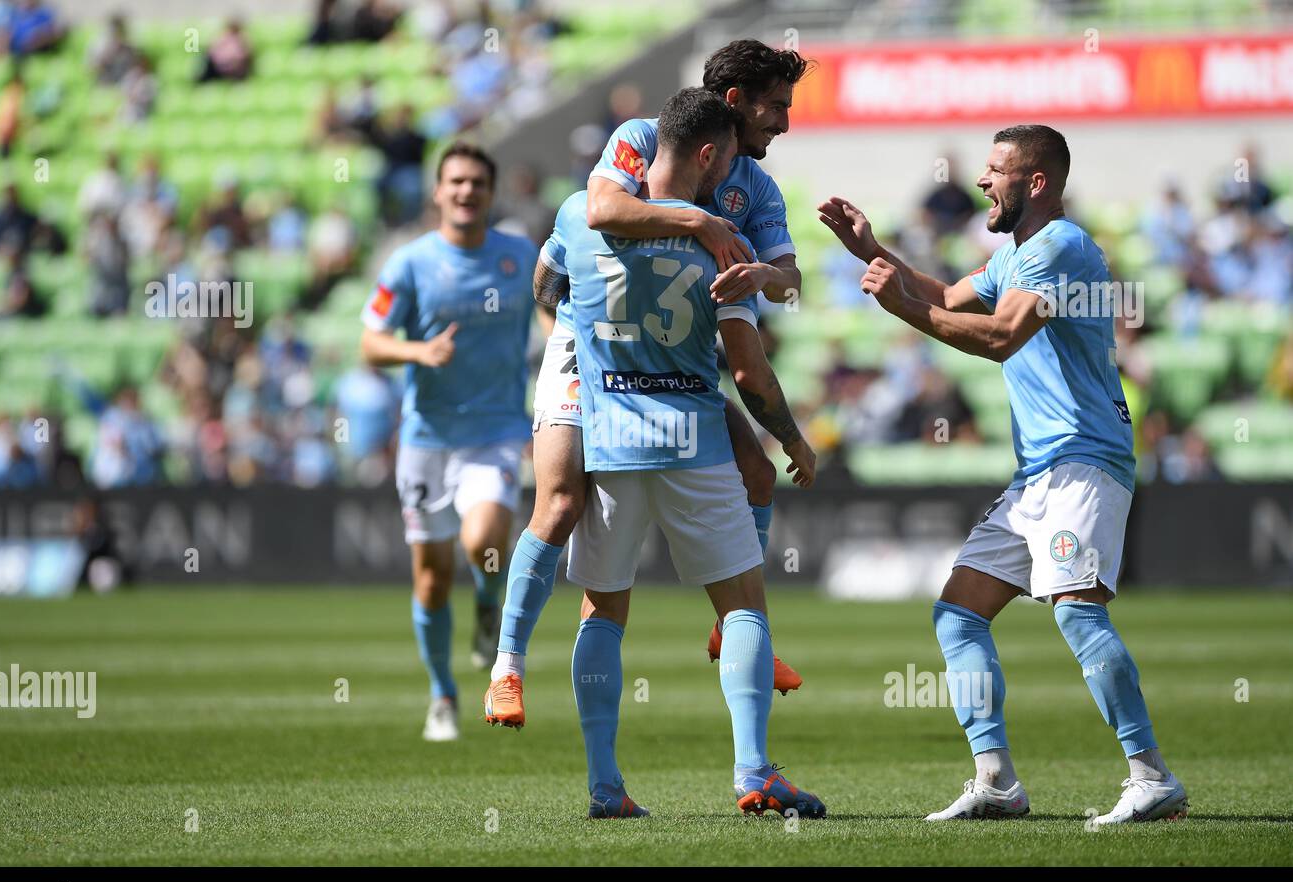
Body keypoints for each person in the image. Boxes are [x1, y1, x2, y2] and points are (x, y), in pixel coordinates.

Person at [819, 124, 1188, 825]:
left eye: (996, 170)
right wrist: (874, 253)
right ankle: (996, 782)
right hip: (1039, 471)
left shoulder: (1061, 246)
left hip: (1083, 458)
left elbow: (998, 337)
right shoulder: (1017, 254)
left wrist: (901, 306)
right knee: (958, 614)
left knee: (1078, 611)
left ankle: (1151, 775)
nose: (982, 181)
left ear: (1036, 181)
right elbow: (950, 296)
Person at [483, 39, 812, 729]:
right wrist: (696, 219)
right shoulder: (642, 138)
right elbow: (599, 213)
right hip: (589, 344)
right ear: (732, 105)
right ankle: (507, 665)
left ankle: (738, 631)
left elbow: (791, 279)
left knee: (756, 470)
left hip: (670, 357)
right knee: (564, 498)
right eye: (775, 107)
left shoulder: (758, 188)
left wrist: (766, 278)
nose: (783, 122)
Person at [559, 88, 822, 818]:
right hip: (696, 440)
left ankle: (605, 787)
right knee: (741, 608)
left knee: (602, 613)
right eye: (729, 156)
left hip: (613, 443)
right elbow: (746, 369)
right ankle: (753, 770)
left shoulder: (587, 223)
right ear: (709, 153)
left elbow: (553, 305)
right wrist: (792, 437)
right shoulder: (724, 249)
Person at [359, 143, 538, 742]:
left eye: (477, 184)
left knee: (484, 540)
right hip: (427, 439)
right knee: (431, 580)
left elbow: (553, 315)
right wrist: (418, 351)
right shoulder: (409, 263)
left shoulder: (519, 256)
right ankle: (442, 695)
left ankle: (489, 605)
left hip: (495, 434)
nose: (466, 192)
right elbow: (371, 342)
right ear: (438, 192)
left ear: (490, 194)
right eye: (456, 182)